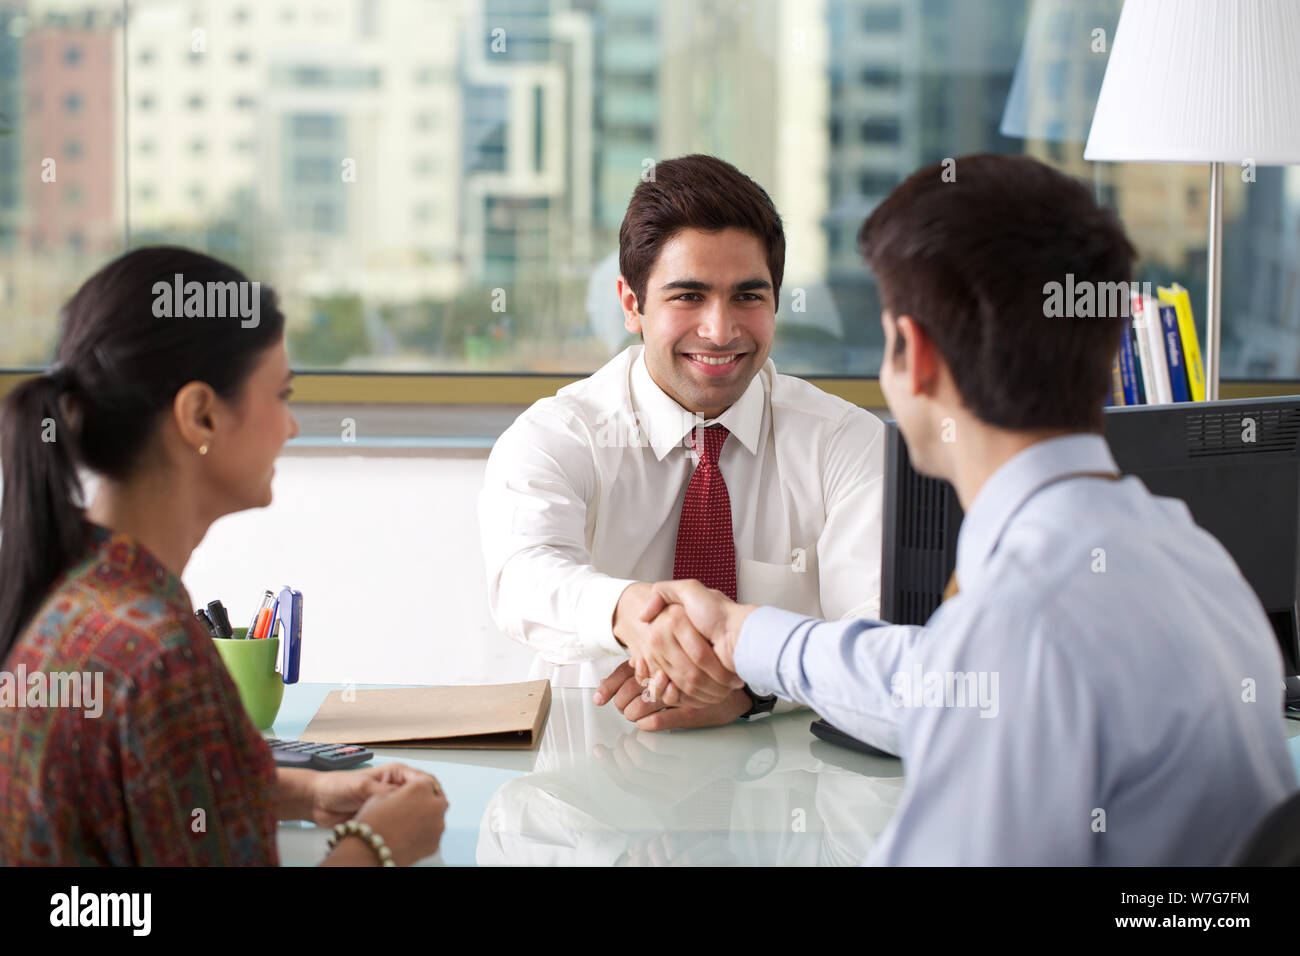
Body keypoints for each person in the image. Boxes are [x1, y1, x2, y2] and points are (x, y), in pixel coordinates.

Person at [630, 154, 1298, 864]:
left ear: (913, 356)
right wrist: (742, 635)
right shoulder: (1192, 556)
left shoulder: (1022, 622)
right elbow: (935, 681)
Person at [0, 247, 446, 866]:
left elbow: (143, 789)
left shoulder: (73, 596)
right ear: (201, 416)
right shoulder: (160, 658)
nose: (291, 426)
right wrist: (376, 846)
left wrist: (304, 791)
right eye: (281, 394)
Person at [479, 154, 886, 731]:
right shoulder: (559, 435)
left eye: (748, 296)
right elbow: (524, 575)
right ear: (632, 304)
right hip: (590, 763)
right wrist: (634, 613)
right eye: (688, 296)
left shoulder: (845, 441)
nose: (720, 331)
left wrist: (753, 689)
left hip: (789, 771)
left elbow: (880, 637)